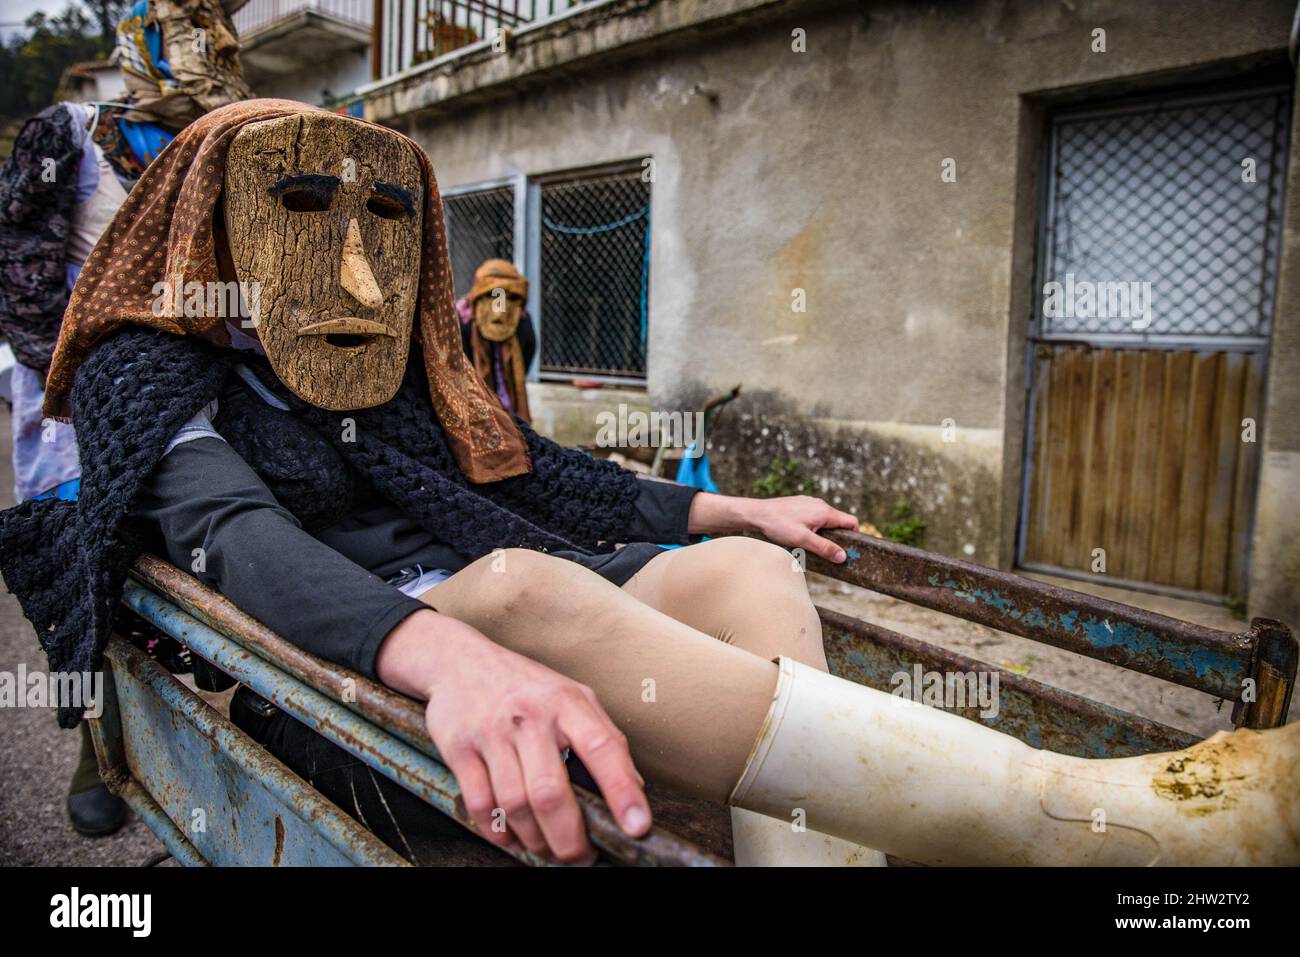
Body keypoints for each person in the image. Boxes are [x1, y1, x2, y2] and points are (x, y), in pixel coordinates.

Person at [1, 100, 1295, 867]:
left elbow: (535, 470)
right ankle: (1066, 817)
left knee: (747, 569)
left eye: (387, 230)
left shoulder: (392, 366)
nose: (353, 272)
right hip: (345, 674)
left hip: (510, 615)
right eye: (298, 209)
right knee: (511, 582)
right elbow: (231, 540)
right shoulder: (150, 366)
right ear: (210, 226)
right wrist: (443, 653)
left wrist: (734, 509)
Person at [0, 0, 250, 837]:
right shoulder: (67, 138)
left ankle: (215, 726)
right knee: (94, 565)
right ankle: (96, 741)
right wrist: (94, 379)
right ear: (142, 39)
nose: (211, 49)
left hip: (204, 395)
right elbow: (22, 276)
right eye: (190, 30)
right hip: (81, 402)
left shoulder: (229, 145)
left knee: (190, 559)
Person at [456, 259, 535, 423]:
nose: (499, 310)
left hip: (508, 401)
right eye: (491, 296)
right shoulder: (461, 321)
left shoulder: (522, 321)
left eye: (510, 297)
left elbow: (529, 350)